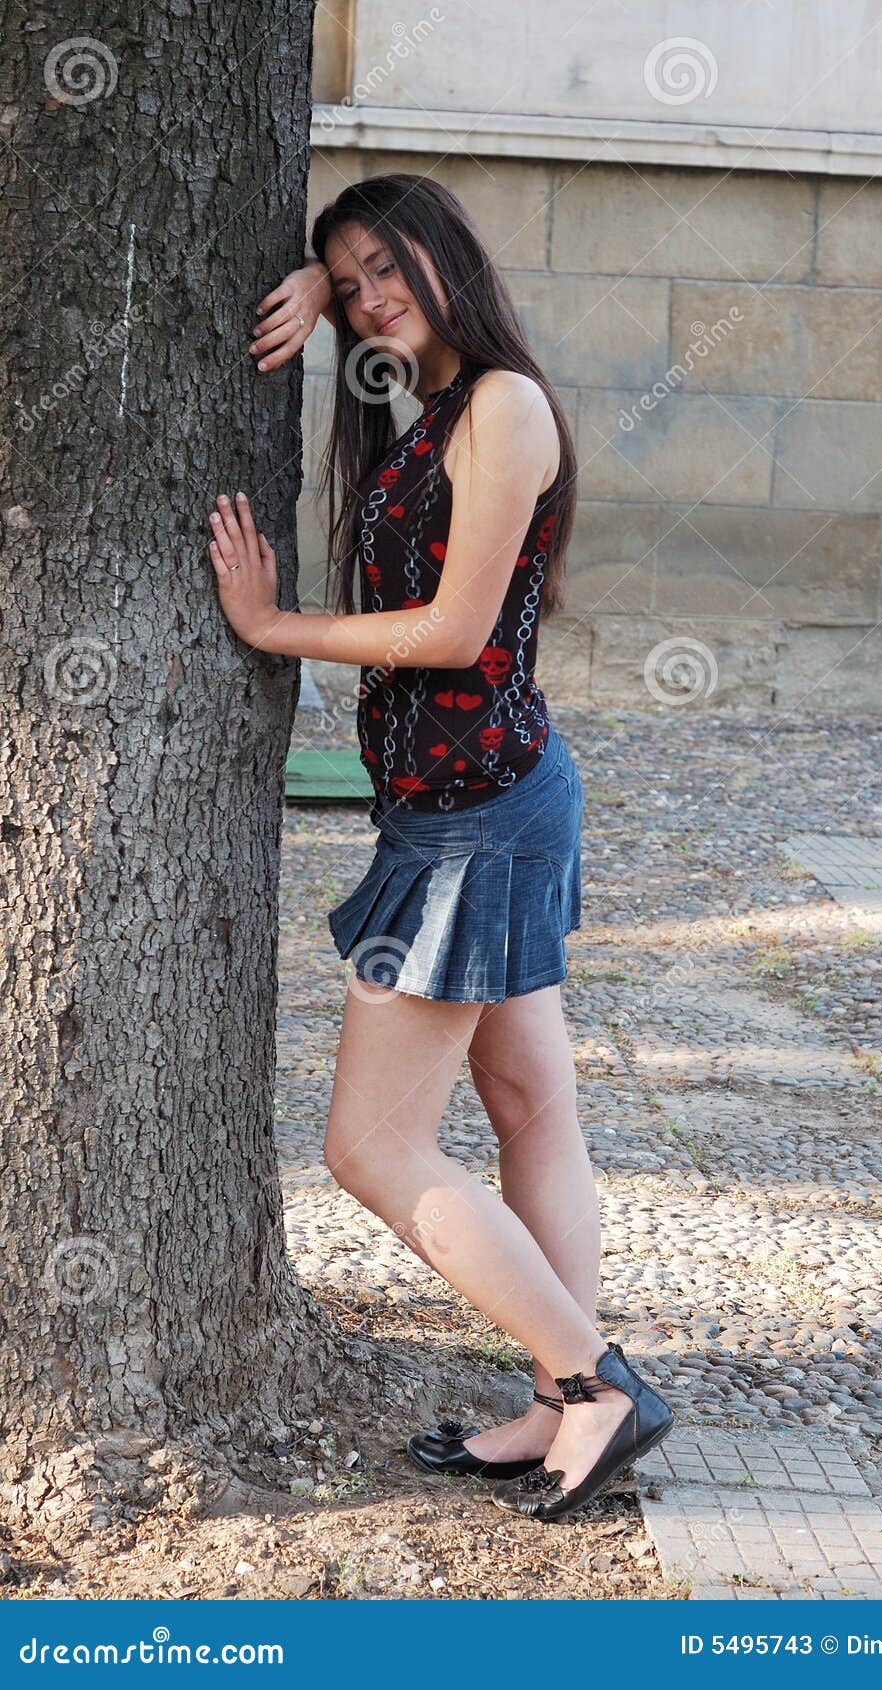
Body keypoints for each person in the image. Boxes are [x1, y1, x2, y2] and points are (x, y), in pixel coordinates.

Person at [206, 173, 672, 1521]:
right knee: (533, 1107)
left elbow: (458, 632)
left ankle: (599, 1382)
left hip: (479, 820)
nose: (370, 291)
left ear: (444, 248)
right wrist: (314, 284)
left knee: (370, 1145)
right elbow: (366, 311)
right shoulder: (438, 400)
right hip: (469, 804)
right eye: (350, 277)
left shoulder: (506, 406)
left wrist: (274, 628)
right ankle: (555, 1400)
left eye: (386, 263)